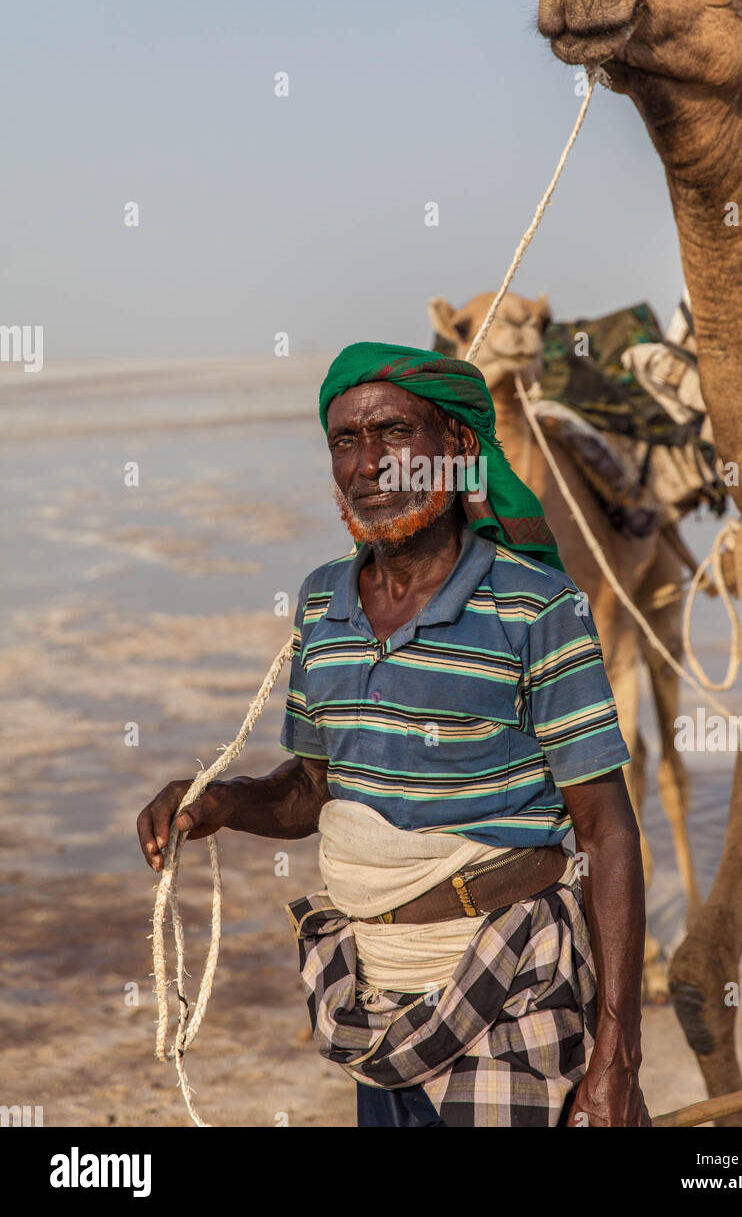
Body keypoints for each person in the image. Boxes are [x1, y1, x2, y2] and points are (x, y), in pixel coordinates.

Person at [137, 341, 651, 1128]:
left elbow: (608, 830)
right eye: (346, 440)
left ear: (459, 450)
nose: (368, 463)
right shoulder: (322, 605)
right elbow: (314, 789)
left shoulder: (537, 607)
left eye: (394, 433)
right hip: (371, 995)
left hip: (514, 988)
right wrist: (219, 802)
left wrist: (616, 1058)